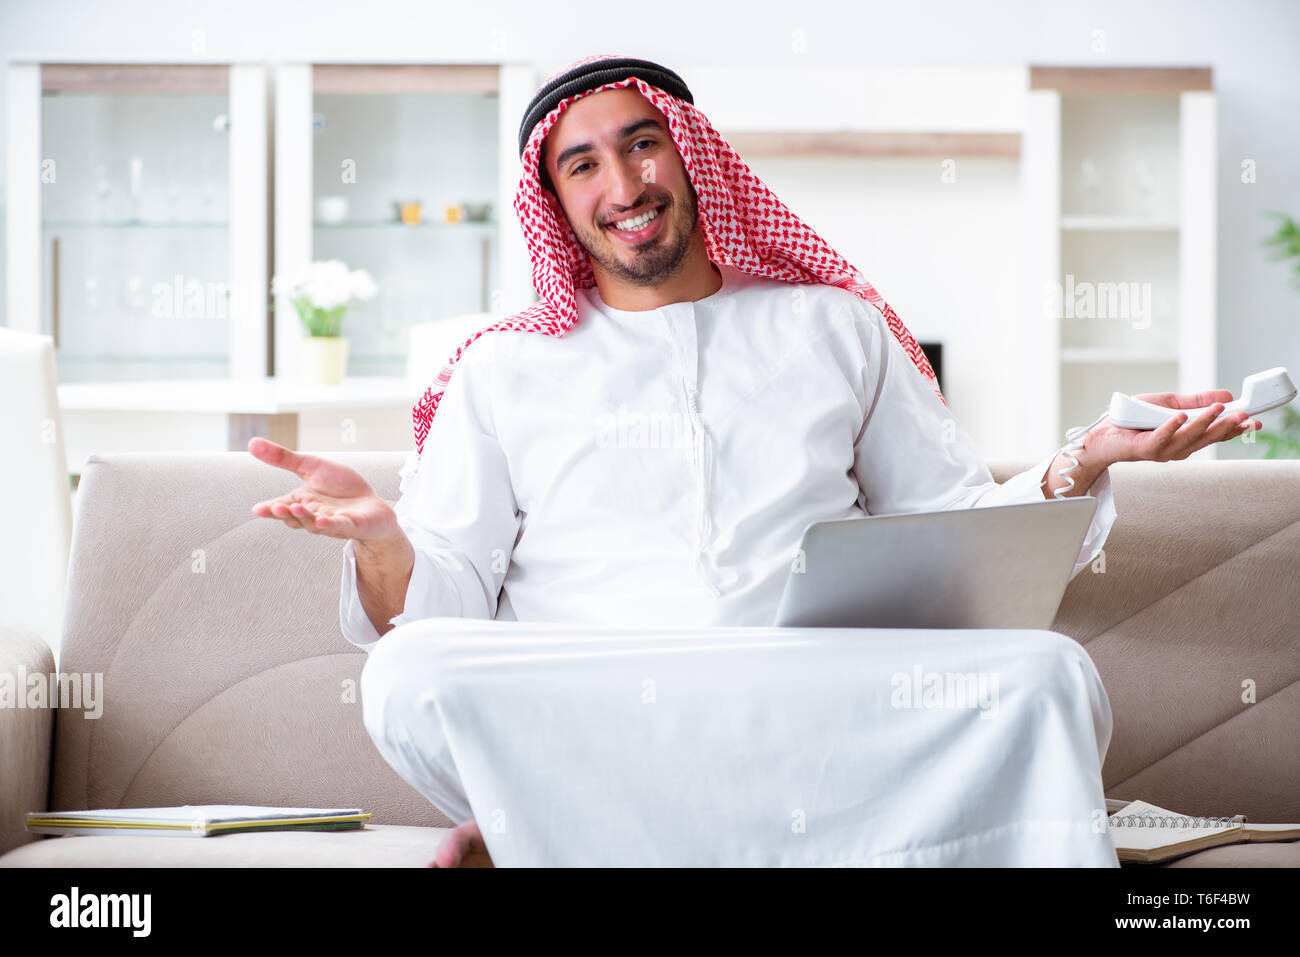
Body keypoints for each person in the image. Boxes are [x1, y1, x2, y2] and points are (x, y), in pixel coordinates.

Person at [248, 55, 1259, 868]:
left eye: (642, 145)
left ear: (692, 158)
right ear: (553, 202)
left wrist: (1083, 457)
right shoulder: (502, 368)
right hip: (593, 696)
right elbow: (443, 598)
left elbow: (955, 537)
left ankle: (556, 835)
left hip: (807, 690)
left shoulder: (833, 328)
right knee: (409, 668)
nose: (624, 183)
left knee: (1045, 674)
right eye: (583, 164)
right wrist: (383, 540)